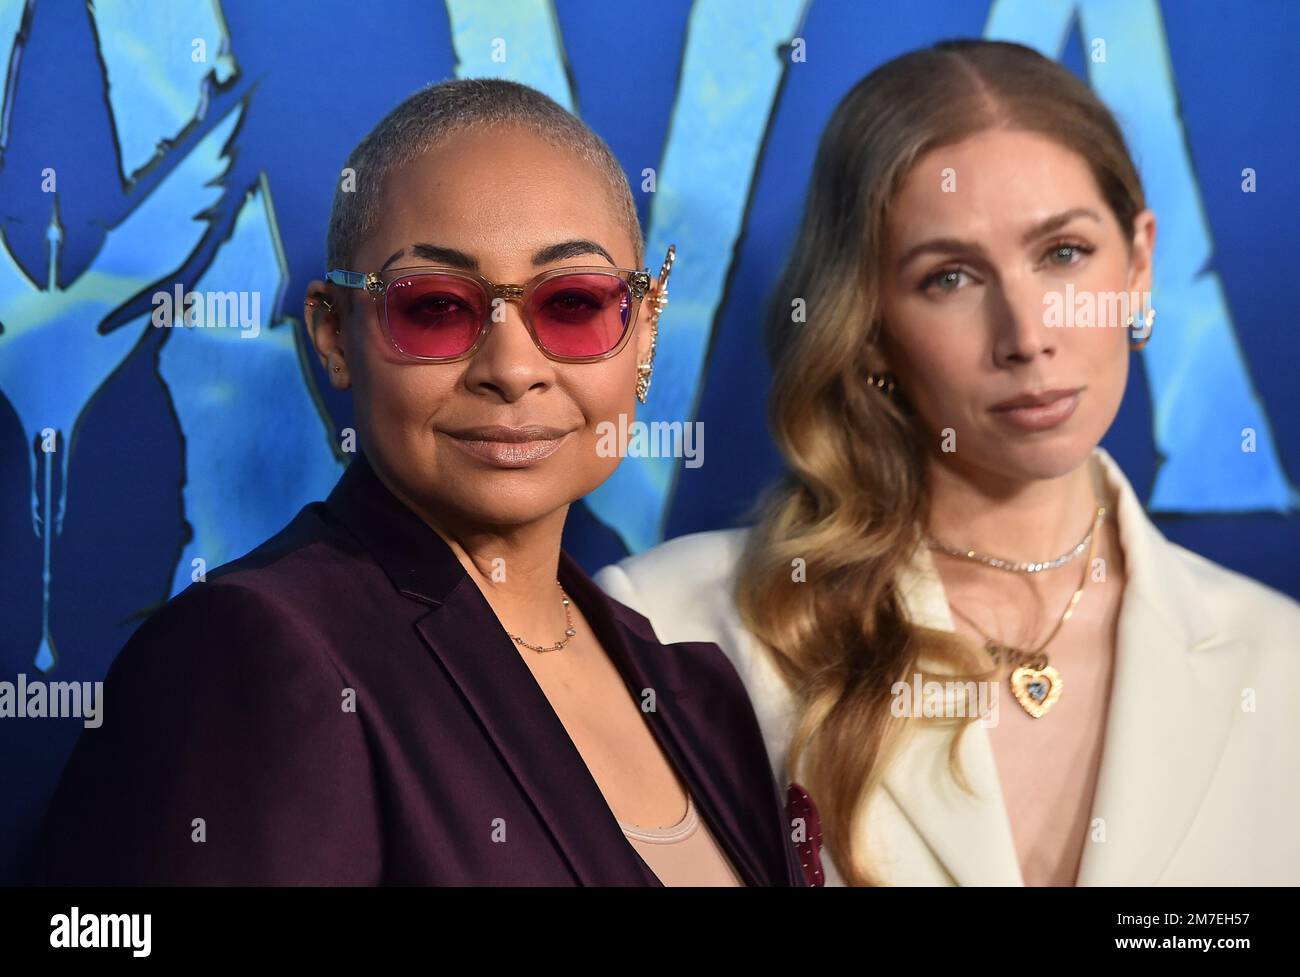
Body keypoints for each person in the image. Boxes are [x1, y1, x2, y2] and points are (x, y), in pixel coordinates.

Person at [30, 78, 815, 886]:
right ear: (335, 334)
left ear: (641, 332)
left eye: (573, 303)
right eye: (436, 307)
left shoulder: (696, 693)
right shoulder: (255, 651)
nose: (512, 370)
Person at [595, 39, 1300, 886]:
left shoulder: (1279, 662)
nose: (1027, 334)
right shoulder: (676, 630)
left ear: (1140, 264)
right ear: (866, 323)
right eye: (951, 277)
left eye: (1064, 255)